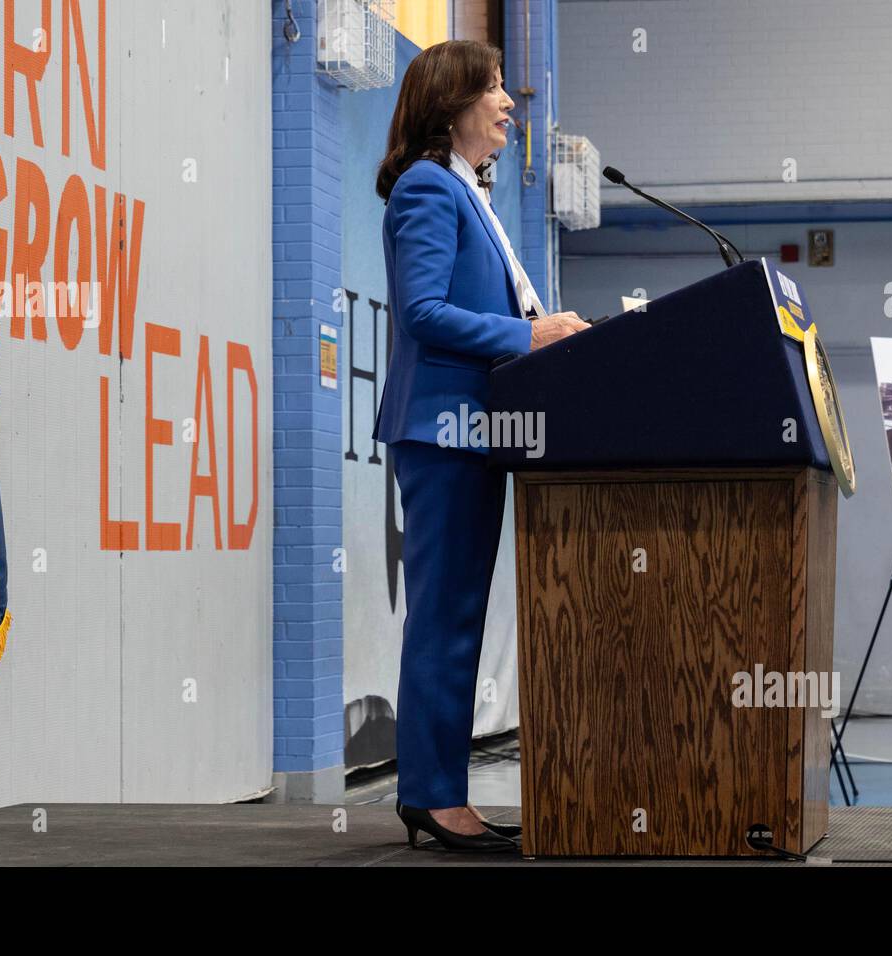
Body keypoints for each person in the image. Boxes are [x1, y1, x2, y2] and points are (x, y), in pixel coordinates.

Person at [372, 39, 588, 852]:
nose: (508, 103)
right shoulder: (429, 189)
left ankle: (437, 789)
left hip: (472, 431)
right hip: (442, 430)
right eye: (494, 88)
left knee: (456, 612)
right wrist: (528, 334)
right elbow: (422, 312)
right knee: (444, 616)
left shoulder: (469, 194)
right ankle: (431, 793)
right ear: (452, 105)